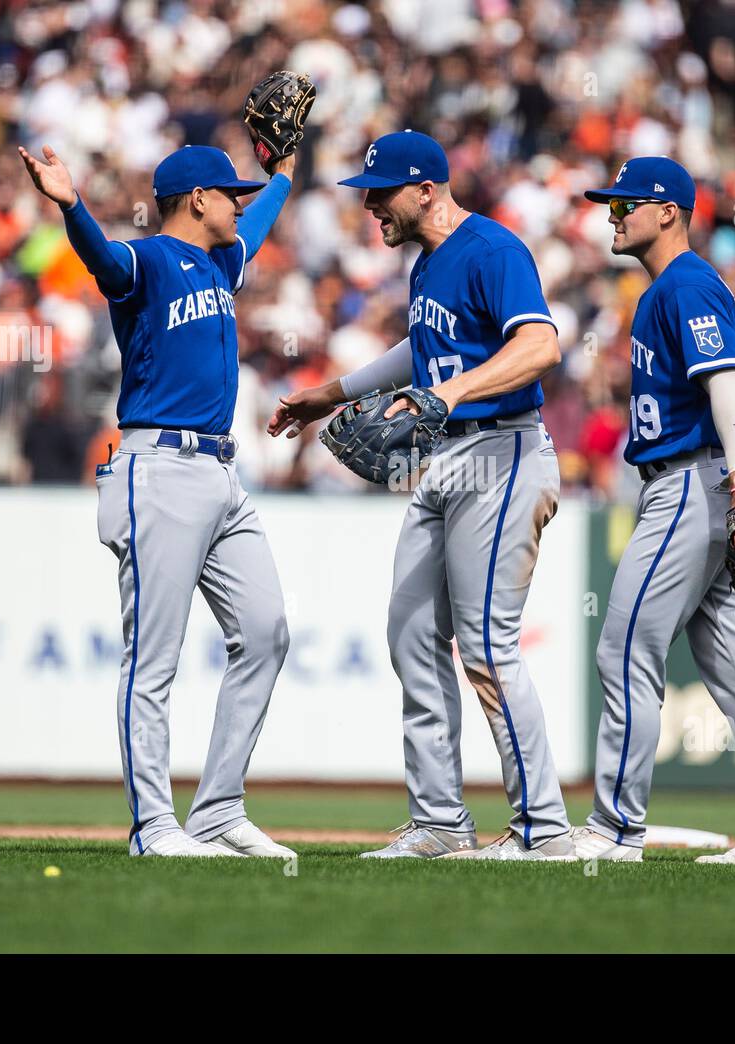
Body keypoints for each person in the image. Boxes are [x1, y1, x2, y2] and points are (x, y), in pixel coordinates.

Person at [268, 131, 575, 860]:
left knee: (489, 647)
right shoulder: (429, 266)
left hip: (503, 448)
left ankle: (544, 830)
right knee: (410, 631)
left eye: (382, 191)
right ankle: (441, 822)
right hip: (448, 456)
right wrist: (330, 394)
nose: (371, 205)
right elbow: (420, 351)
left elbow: (540, 346)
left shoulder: (493, 249)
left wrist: (452, 392)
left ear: (428, 190)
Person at [19, 141, 298, 859]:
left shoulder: (220, 261)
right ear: (195, 199)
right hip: (157, 469)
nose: (239, 202)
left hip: (222, 476)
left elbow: (260, 222)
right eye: (228, 192)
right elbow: (102, 262)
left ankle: (217, 810)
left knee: (265, 632)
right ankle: (153, 826)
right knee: (154, 660)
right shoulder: (146, 260)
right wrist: (70, 204)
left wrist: (284, 176)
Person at [573, 156, 735, 866]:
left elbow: (730, 387)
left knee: (624, 650)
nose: (613, 215)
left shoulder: (687, 284)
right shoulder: (666, 289)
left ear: (668, 211)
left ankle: (615, 829)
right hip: (702, 487)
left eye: (625, 205)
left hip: (693, 487)